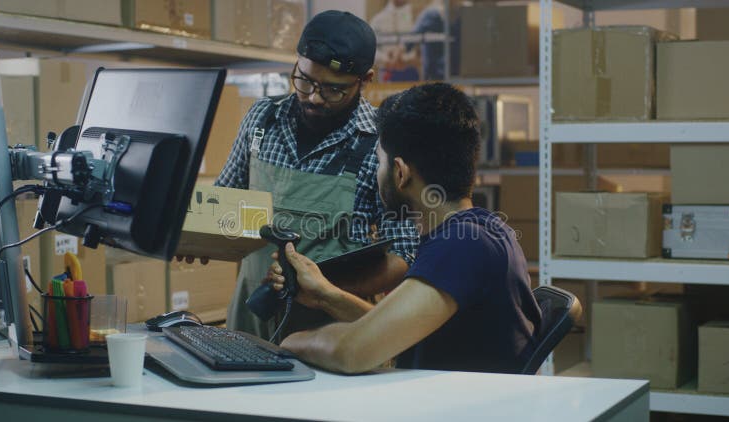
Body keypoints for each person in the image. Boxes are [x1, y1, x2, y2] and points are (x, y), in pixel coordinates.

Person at [265, 83, 543, 374]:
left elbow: (350, 352)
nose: (376, 172)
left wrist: (287, 344)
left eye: (379, 161)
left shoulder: (462, 247)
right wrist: (324, 295)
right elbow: (400, 331)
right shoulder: (479, 230)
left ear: (400, 173)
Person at [215, 10, 418, 340]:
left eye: (332, 90)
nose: (313, 97)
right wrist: (195, 238)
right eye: (305, 80)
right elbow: (225, 201)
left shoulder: (381, 142)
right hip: (252, 316)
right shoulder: (261, 120)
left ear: (365, 79)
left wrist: (324, 288)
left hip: (331, 329)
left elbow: (404, 254)